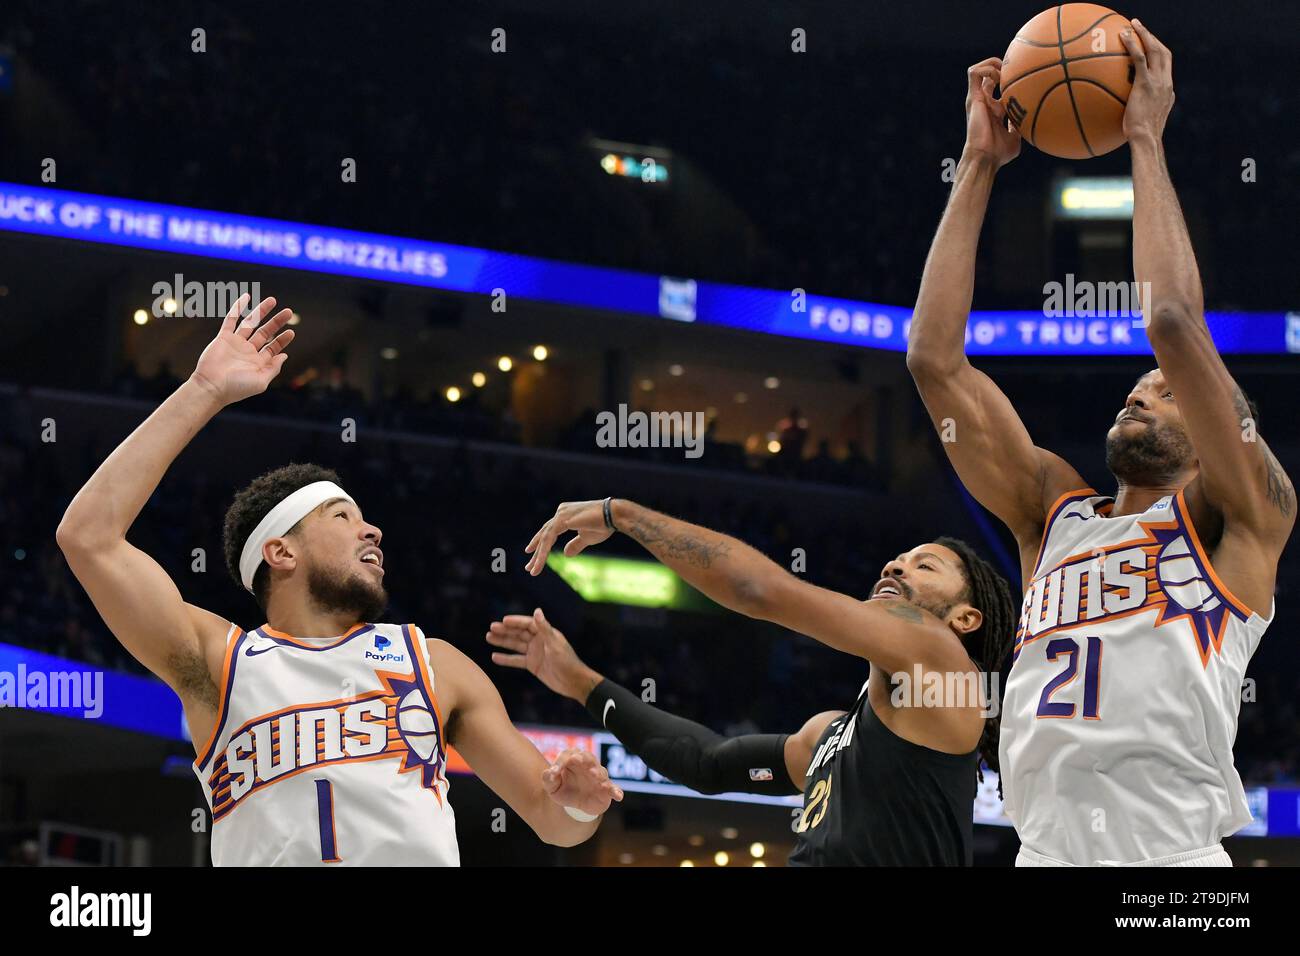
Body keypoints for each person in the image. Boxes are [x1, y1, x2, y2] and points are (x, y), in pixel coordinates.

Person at [905, 22, 1295, 866]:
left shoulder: (1242, 517)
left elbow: (1170, 321)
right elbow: (934, 361)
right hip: (1040, 852)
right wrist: (978, 166)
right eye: (1138, 387)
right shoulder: (1052, 517)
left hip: (1170, 865)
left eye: (1164, 390)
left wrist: (1144, 136)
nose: (1140, 388)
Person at [56, 294, 621, 866]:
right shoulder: (219, 662)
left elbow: (554, 822)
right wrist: (204, 390)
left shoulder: (435, 663)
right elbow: (88, 537)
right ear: (280, 551)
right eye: (342, 517)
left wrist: (578, 803)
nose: (371, 530)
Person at [518, 497, 1016, 865]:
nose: (895, 565)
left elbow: (758, 590)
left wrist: (621, 515)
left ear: (965, 619)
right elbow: (705, 764)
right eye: (898, 560)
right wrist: (581, 680)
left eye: (924, 566)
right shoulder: (829, 736)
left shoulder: (944, 658)